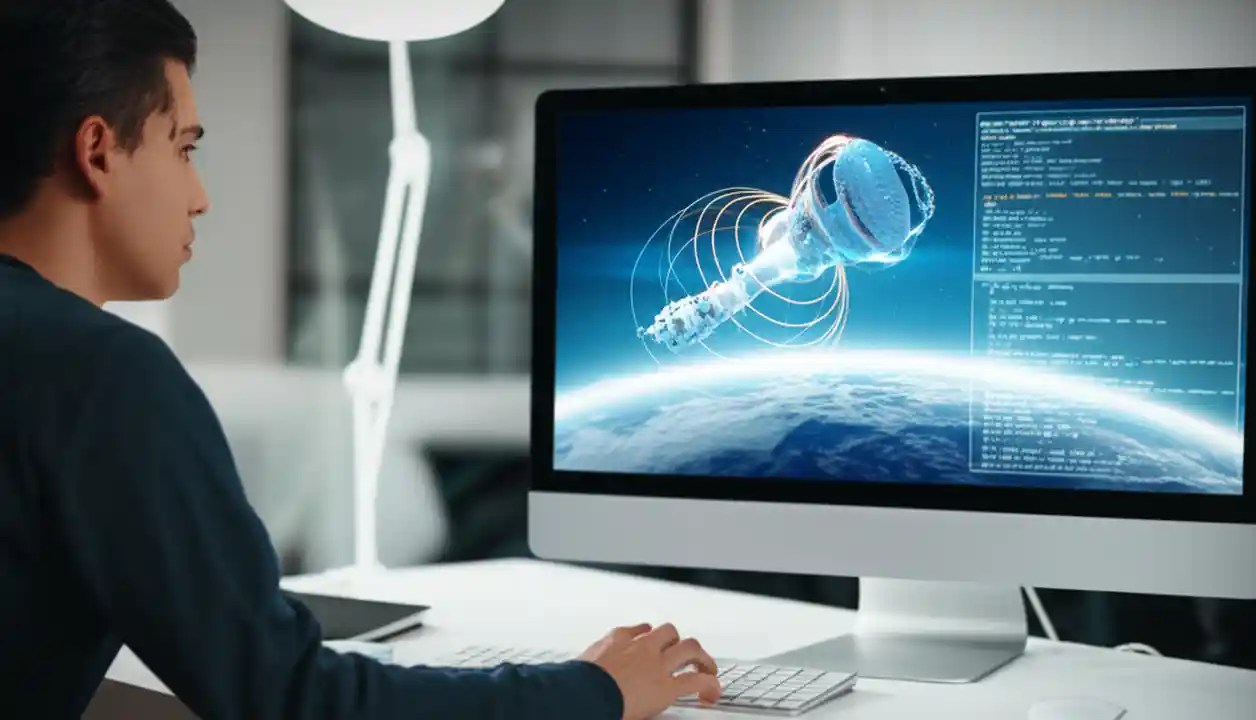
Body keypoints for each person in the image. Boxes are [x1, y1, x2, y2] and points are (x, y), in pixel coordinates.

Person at [0, 1, 722, 718]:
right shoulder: (103, 374)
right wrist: (595, 689)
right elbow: (290, 697)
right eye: (184, 149)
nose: (201, 198)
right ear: (98, 152)